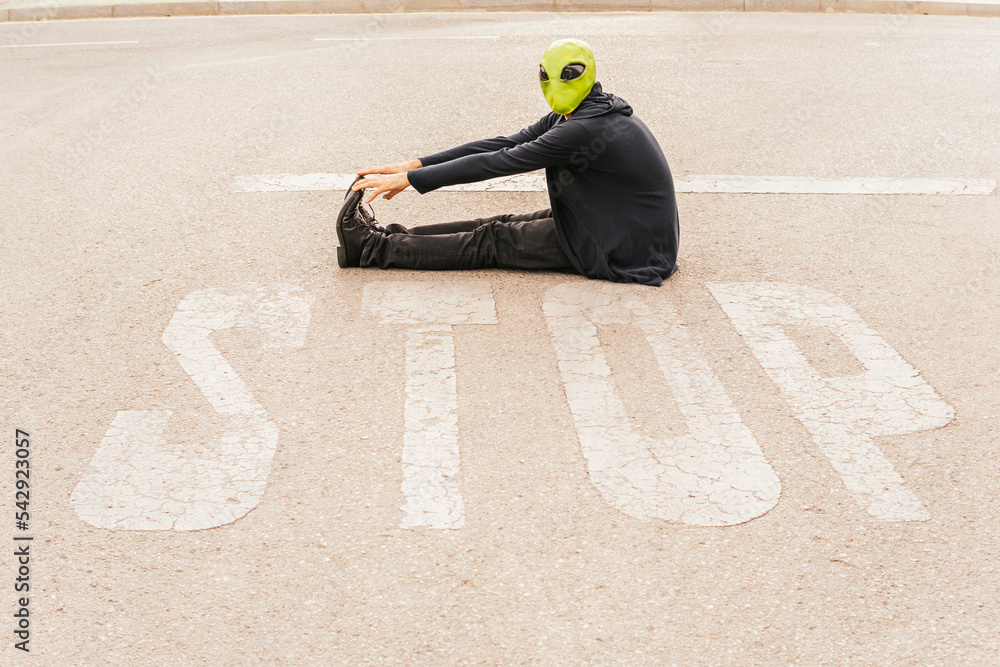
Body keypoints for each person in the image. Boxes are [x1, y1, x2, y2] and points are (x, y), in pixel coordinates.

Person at [337, 38, 680, 286]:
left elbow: (501, 161)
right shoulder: (583, 111)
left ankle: (371, 249)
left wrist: (413, 181)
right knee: (500, 222)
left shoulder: (584, 128)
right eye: (547, 76)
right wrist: (414, 165)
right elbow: (505, 143)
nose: (555, 85)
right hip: (615, 223)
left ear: (586, 74)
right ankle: (382, 238)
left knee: (494, 239)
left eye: (566, 75)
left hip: (624, 248)